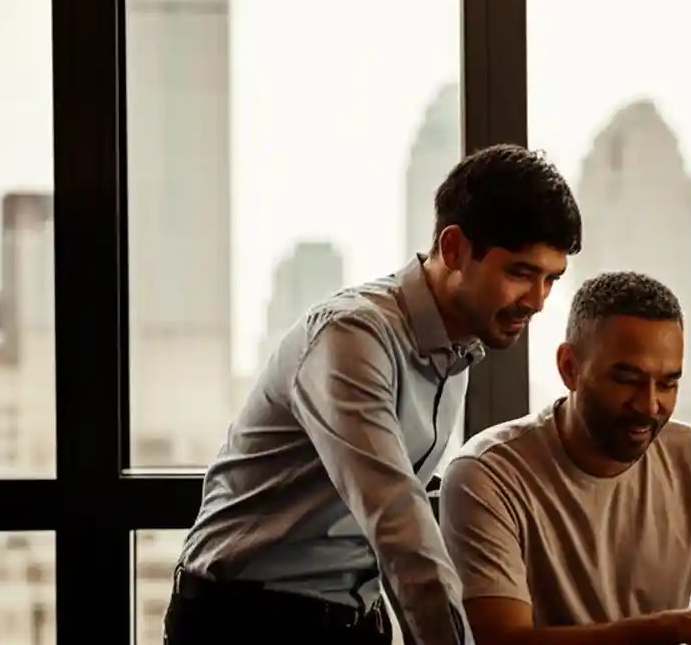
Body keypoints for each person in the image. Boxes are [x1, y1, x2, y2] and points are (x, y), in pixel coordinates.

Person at [163, 144, 582, 645]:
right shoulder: (353, 338)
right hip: (245, 619)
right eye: (519, 273)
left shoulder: (457, 351)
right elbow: (402, 532)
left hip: (352, 614)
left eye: (550, 279)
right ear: (453, 250)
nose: (536, 301)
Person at [439, 272, 691, 645]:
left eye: (667, 383)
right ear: (569, 368)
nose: (649, 405)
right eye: (627, 379)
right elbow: (502, 641)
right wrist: (676, 629)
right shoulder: (487, 475)